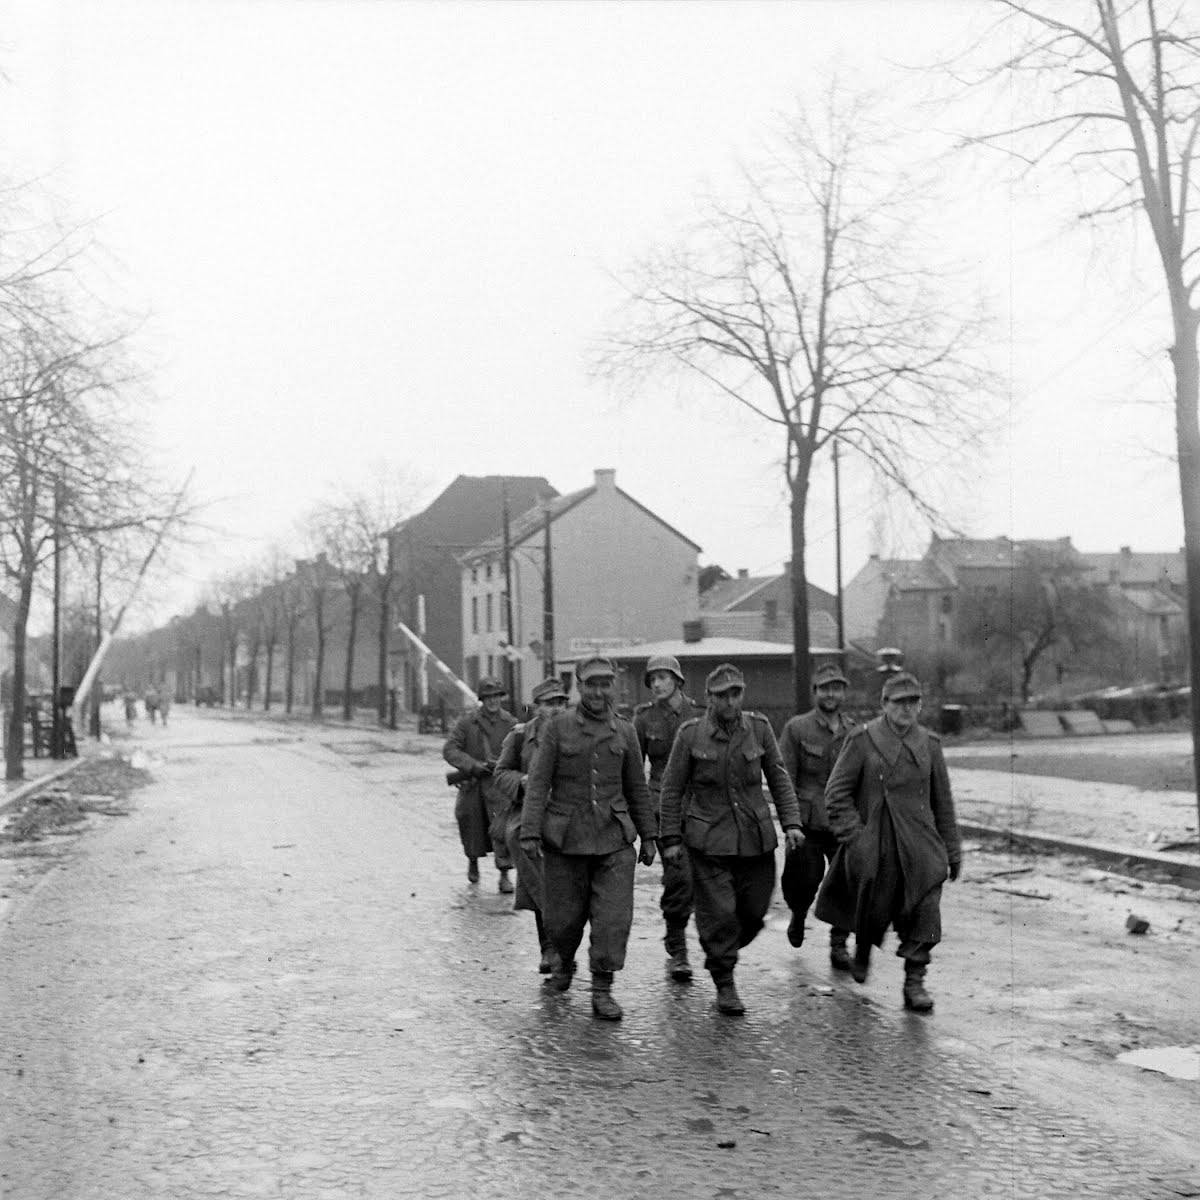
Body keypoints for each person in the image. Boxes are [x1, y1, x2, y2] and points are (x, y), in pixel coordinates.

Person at [659, 663, 803, 1016]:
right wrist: (671, 839)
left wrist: (792, 824)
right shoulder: (691, 735)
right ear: (709, 697)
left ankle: (719, 950)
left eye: (735, 693)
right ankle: (725, 980)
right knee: (720, 912)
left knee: (754, 912)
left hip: (754, 838)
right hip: (707, 840)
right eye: (721, 695)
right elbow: (671, 788)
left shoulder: (759, 728)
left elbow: (779, 778)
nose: (729, 701)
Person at [520, 655, 658, 1022]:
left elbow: (636, 787)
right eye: (591, 684)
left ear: (614, 686)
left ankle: (602, 988)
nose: (599, 692)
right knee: (563, 921)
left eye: (605, 684)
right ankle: (564, 962)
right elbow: (538, 783)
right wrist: (531, 830)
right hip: (566, 839)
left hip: (614, 838)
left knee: (613, 918)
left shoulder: (625, 731)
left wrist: (650, 836)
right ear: (578, 687)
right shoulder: (557, 728)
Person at [815, 671, 962, 1013]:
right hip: (877, 842)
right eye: (899, 702)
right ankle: (862, 948)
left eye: (914, 702)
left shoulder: (930, 745)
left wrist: (952, 850)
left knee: (926, 910)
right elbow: (836, 793)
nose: (907, 709)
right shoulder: (862, 740)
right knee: (872, 905)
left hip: (922, 845)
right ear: (884, 704)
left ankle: (915, 982)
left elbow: (944, 802)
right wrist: (856, 836)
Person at [779, 662, 857, 970]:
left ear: (843, 693)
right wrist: (790, 823)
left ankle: (839, 945)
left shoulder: (854, 732)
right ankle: (798, 916)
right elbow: (783, 777)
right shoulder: (797, 729)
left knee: (848, 882)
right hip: (808, 823)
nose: (830, 694)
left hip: (843, 823)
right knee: (804, 881)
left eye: (836, 688)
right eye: (824, 688)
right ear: (815, 692)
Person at [633, 654, 704, 982]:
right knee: (680, 877)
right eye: (653, 679)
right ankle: (678, 946)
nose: (658, 684)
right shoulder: (645, 719)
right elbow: (633, 769)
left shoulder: (701, 715)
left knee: (708, 880)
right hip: (664, 808)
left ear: (677, 680)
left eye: (663, 677)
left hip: (703, 809)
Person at [493, 676, 570, 974]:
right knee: (540, 881)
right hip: (530, 817)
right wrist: (523, 783)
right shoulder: (519, 736)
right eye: (551, 703)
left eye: (562, 702)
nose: (558, 708)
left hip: (568, 816)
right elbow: (501, 774)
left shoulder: (577, 734)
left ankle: (565, 946)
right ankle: (549, 948)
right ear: (537, 707)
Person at [443, 677, 518, 891]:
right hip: (473, 785)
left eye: (497, 696)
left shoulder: (511, 723)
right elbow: (450, 749)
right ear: (482, 699)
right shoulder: (468, 723)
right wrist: (472, 765)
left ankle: (504, 874)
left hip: (499, 787)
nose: (493, 701)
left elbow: (519, 752)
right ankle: (473, 862)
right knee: (470, 825)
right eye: (488, 697)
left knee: (503, 830)